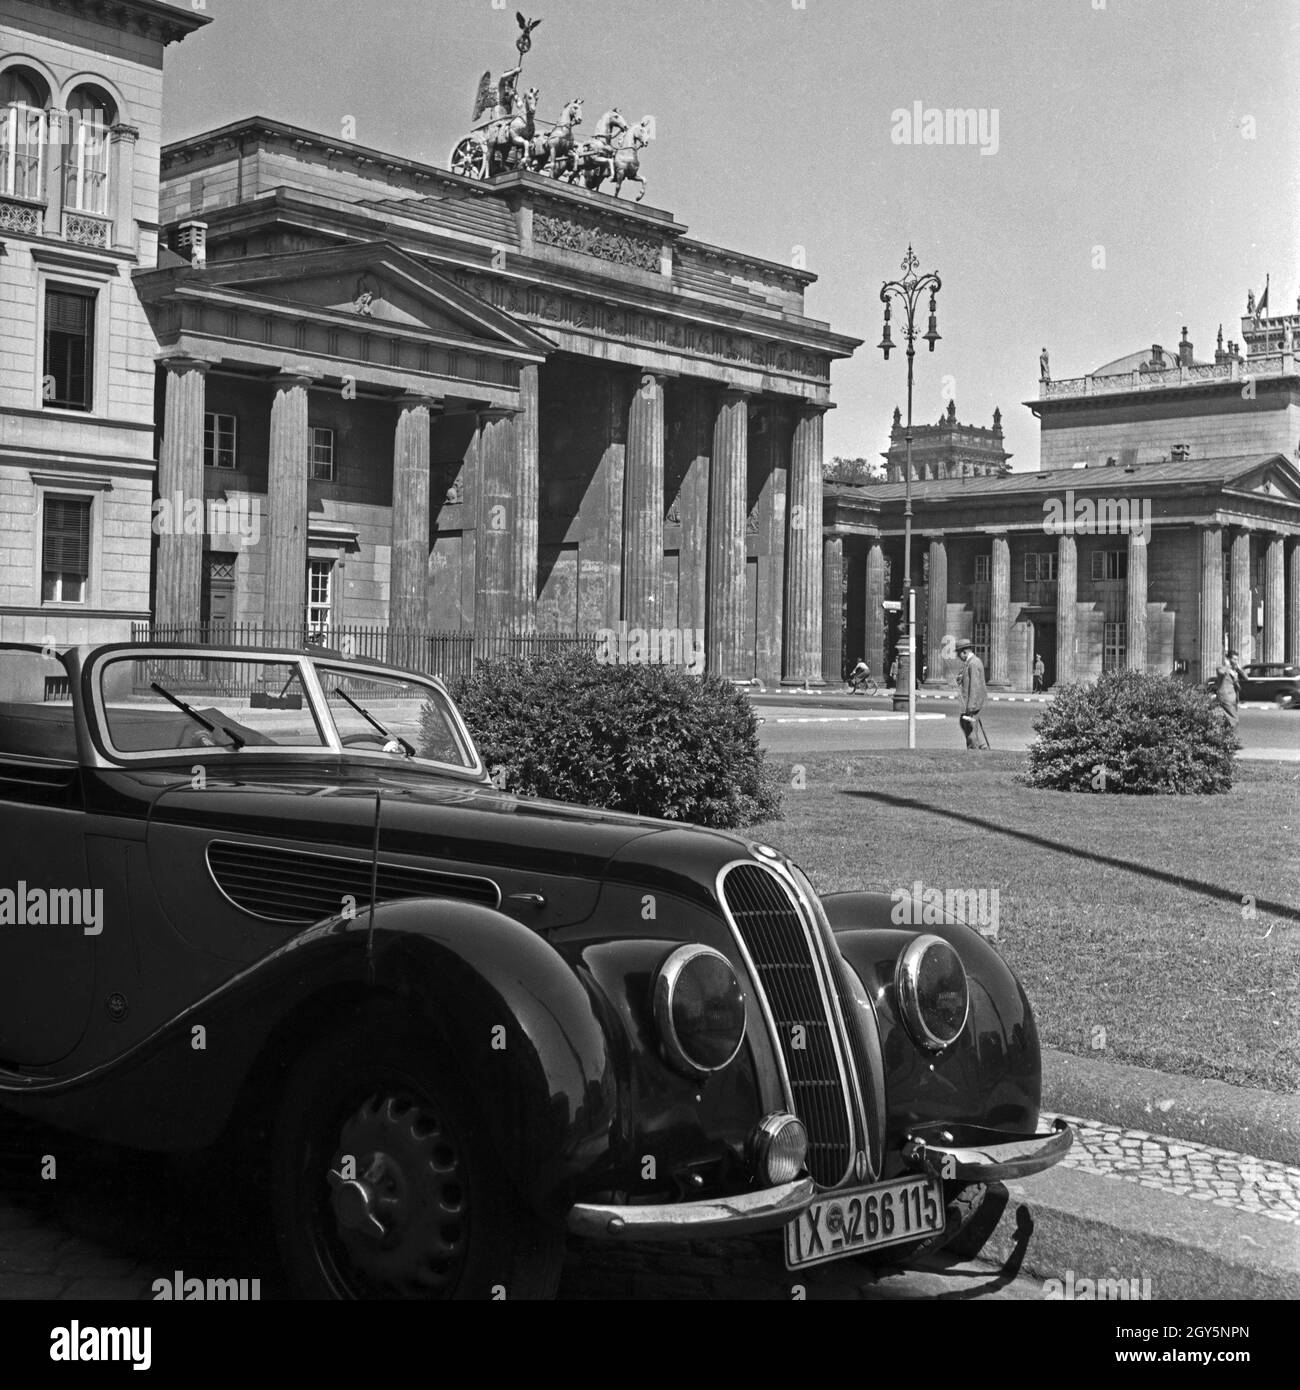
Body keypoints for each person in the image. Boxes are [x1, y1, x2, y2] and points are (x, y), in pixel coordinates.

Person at [955, 638, 987, 749]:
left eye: (958, 653)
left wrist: (971, 707)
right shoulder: (969, 663)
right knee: (967, 725)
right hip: (969, 703)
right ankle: (981, 747)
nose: (958, 656)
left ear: (964, 652)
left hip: (972, 704)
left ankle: (975, 751)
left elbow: (975, 686)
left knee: (970, 729)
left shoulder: (973, 663)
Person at [1215, 650, 1241, 730]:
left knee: (1228, 720)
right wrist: (1227, 665)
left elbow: (1244, 678)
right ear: (1228, 659)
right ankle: (1229, 738)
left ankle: (1224, 736)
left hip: (1233, 698)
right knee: (1235, 720)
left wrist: (1239, 670)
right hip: (1225, 697)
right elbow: (1221, 672)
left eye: (1237, 659)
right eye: (1234, 659)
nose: (1236, 662)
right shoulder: (1222, 668)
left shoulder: (1234, 671)